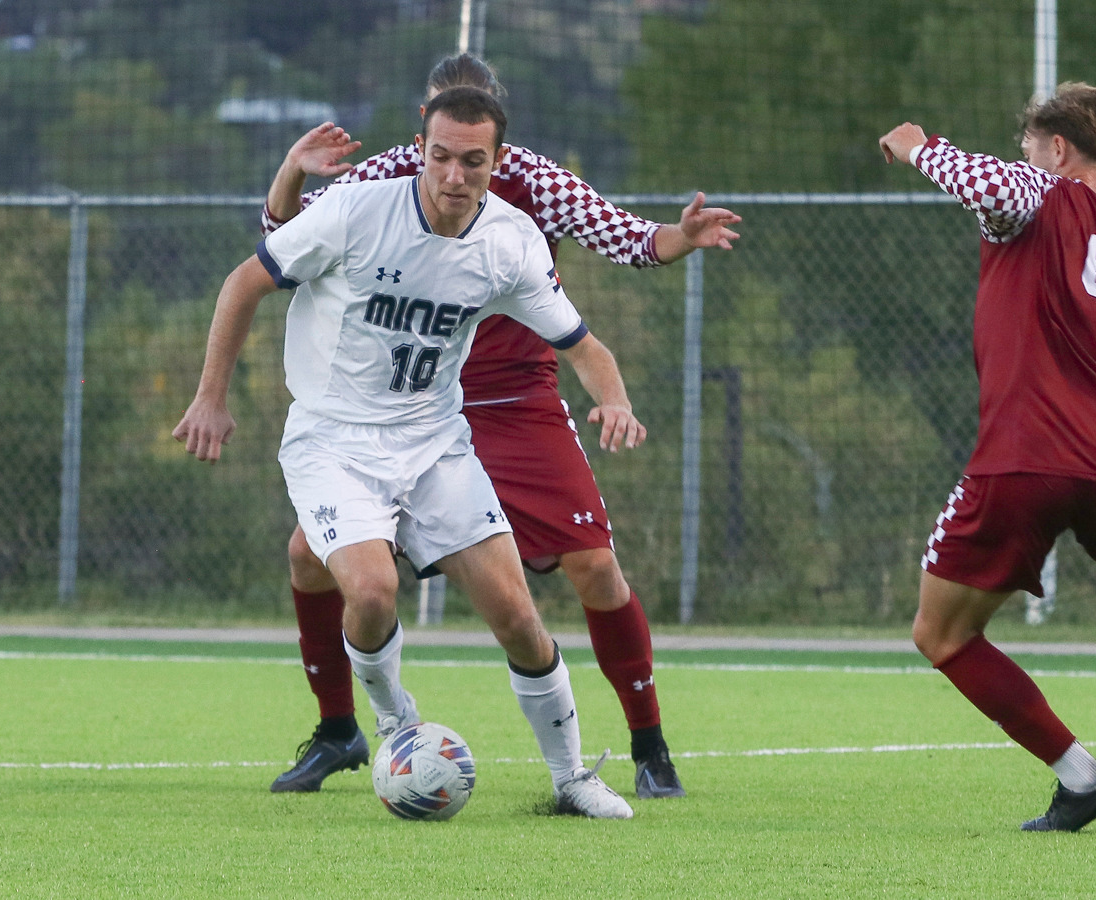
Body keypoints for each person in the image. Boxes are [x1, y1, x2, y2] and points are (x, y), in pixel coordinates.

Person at [259, 53, 740, 799]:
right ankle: (340, 730)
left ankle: (647, 747)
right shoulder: (386, 177)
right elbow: (286, 240)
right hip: (387, 411)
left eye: (472, 149)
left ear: (497, 138)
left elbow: (626, 240)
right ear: (425, 125)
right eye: (439, 141)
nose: (452, 167)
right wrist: (292, 171)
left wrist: (677, 239)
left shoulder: (534, 184)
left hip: (513, 403)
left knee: (592, 566)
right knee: (313, 557)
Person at [175, 87, 640, 818]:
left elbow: (582, 345)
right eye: (441, 157)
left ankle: (572, 776)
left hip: (434, 443)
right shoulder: (359, 211)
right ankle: (395, 723)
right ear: (421, 146)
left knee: (518, 616)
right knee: (369, 591)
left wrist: (612, 397)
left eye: (473, 162)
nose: (454, 176)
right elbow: (244, 282)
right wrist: (210, 397)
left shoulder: (511, 239)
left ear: (497, 161)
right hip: (333, 440)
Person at [879, 83, 1096, 831]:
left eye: (1030, 145)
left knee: (940, 634)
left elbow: (987, 182)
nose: (1022, 157)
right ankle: (1082, 784)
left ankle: (1082, 777)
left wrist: (916, 146)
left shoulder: (1036, 193)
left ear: (1058, 149)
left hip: (1023, 458)